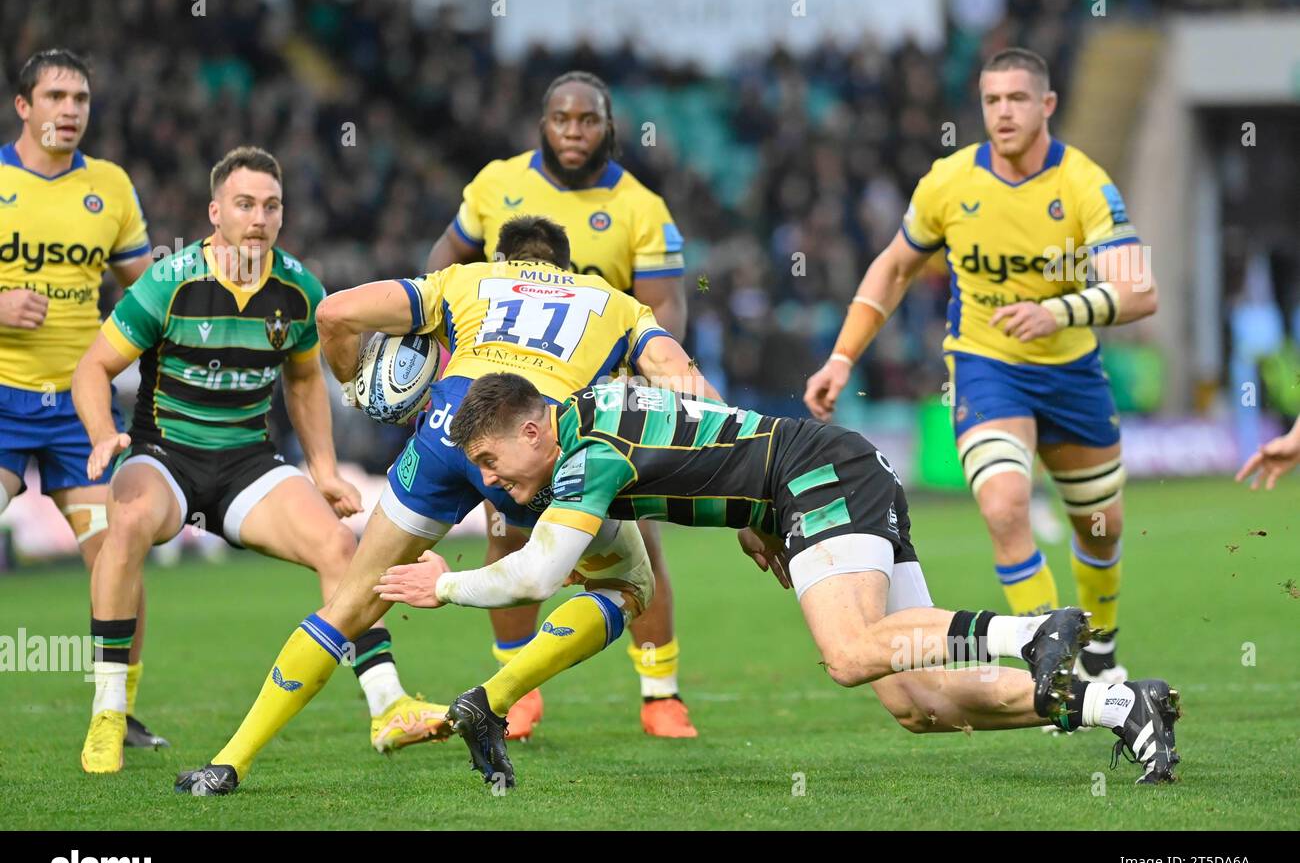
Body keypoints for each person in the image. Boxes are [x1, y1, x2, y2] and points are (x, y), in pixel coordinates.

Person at [377, 373, 1182, 789]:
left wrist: (443, 585)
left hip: (818, 474)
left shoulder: (583, 457)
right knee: (919, 703)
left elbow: (537, 575)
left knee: (849, 653)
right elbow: (710, 436)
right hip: (812, 478)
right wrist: (755, 517)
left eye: (491, 461)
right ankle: (1122, 705)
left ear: (530, 429)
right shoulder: (592, 416)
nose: (492, 481)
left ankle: (1030, 633)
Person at [174, 215, 716, 795]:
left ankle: (229, 761)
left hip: (446, 426)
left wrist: (354, 383)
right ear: (568, 267)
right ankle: (495, 699)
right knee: (629, 585)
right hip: (539, 441)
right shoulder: (611, 303)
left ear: (502, 260)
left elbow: (332, 314)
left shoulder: (466, 280)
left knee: (352, 603)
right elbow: (681, 380)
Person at [70, 146, 442, 773]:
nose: (259, 217)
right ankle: (108, 711)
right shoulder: (170, 280)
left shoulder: (298, 290)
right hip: (166, 454)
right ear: (215, 211)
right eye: (245, 204)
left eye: (271, 205)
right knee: (125, 524)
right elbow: (93, 367)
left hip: (247, 462)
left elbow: (302, 383)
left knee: (339, 548)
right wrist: (102, 432)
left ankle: (388, 706)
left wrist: (322, 470)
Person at [805, 48, 1158, 683]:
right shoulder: (949, 182)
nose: (1003, 112)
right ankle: (1057, 661)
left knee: (1101, 530)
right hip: (985, 366)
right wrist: (841, 356)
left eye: (1018, 99)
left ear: (1046, 105)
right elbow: (894, 266)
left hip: (1073, 374)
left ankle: (1100, 645)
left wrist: (1062, 312)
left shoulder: (1083, 182)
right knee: (1003, 507)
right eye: (992, 100)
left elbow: (1140, 291)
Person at [425, 70, 695, 738]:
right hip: (510, 403)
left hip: (599, 400)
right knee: (505, 531)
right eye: (561, 119)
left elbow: (664, 304)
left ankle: (660, 691)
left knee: (638, 539)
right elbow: (444, 260)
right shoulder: (496, 184)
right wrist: (440, 353)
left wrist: (648, 373)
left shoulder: (640, 205)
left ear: (610, 127)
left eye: (588, 120)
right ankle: (516, 689)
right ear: (543, 123)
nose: (573, 131)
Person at [0, 49, 164, 749]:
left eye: (82, 99)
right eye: (56, 96)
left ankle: (115, 709)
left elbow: (147, 287)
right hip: (3, 397)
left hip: (80, 409)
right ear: (24, 106)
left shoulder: (112, 186)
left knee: (117, 552)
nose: (70, 111)